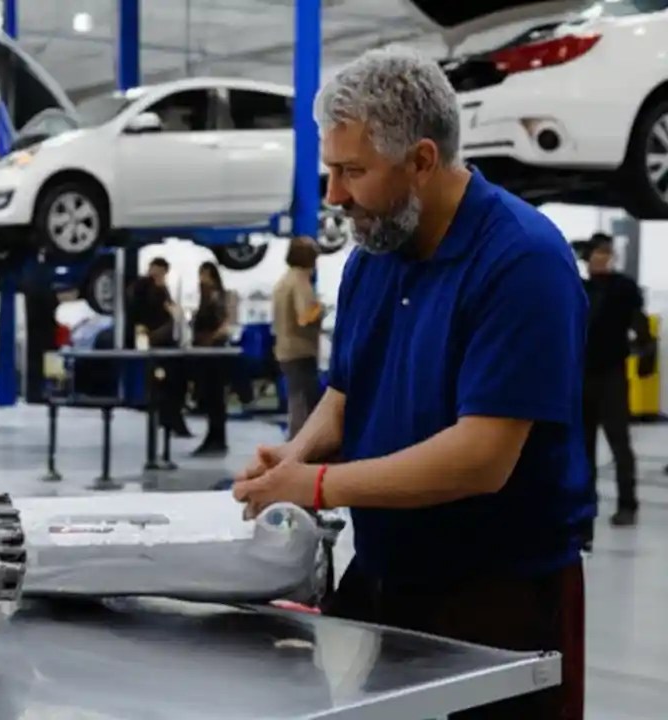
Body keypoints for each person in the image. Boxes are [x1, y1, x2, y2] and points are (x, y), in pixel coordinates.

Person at [232, 48, 589, 719]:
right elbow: (345, 394)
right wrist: (298, 453)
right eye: (331, 171)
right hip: (388, 579)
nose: (334, 195)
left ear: (422, 161)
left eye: (353, 172)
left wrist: (316, 486)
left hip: (500, 599)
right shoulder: (375, 257)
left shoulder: (521, 261)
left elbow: (482, 458)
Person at [581, 232, 653, 533]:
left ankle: (627, 504)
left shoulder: (624, 288)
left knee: (619, 442)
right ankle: (584, 500)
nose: (601, 257)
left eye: (606, 252)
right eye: (596, 252)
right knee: (582, 445)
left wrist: (646, 359)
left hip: (612, 374)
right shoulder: (578, 288)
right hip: (582, 374)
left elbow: (641, 327)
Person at [127, 257, 190, 436]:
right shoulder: (144, 287)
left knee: (166, 383)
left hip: (163, 340)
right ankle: (169, 419)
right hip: (157, 340)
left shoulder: (160, 289)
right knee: (164, 383)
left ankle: (167, 419)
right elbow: (138, 311)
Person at [271, 236, 324, 438]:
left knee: (296, 403)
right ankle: (301, 452)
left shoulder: (284, 280)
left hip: (285, 350)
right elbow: (305, 316)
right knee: (304, 408)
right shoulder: (300, 280)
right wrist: (321, 309)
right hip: (301, 351)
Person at [191, 261, 231, 456]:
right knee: (213, 397)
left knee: (214, 396)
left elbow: (223, 325)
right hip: (208, 352)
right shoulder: (207, 297)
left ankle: (216, 437)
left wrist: (209, 340)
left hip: (212, 352)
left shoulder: (213, 297)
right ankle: (215, 436)